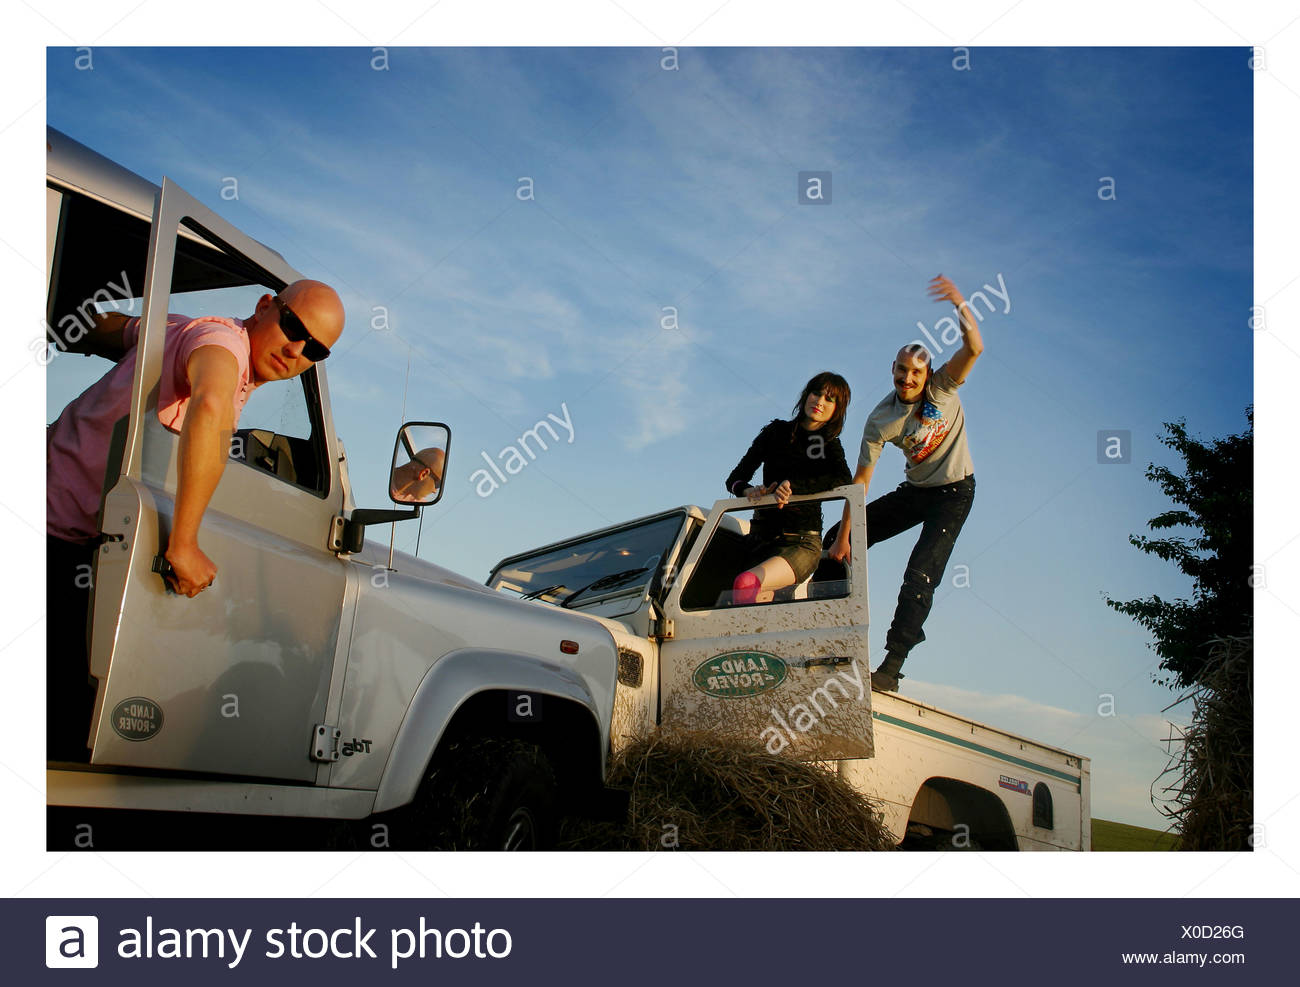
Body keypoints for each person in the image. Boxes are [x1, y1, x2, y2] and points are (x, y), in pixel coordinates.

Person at [46, 279, 345, 758]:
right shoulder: (222, 344)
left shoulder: (181, 328)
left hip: (70, 529)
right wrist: (183, 543)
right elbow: (210, 407)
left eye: (315, 349)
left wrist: (51, 321)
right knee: (59, 728)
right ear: (266, 305)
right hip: (53, 536)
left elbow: (110, 330)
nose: (295, 350)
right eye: (293, 326)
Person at [828, 274, 983, 692]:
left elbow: (974, 348)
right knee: (835, 540)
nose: (908, 379)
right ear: (892, 370)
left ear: (927, 372)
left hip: (955, 494)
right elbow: (859, 484)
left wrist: (959, 303)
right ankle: (826, 632)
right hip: (916, 493)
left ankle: (891, 667)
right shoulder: (880, 419)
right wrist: (846, 536)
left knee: (920, 575)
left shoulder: (943, 386)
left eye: (916, 372)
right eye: (901, 370)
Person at [724, 372, 852, 605]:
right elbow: (734, 479)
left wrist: (794, 488)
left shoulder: (828, 443)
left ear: (837, 409)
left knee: (746, 583)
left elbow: (844, 479)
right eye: (816, 392)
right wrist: (749, 491)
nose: (819, 401)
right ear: (806, 394)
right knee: (731, 599)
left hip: (801, 543)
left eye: (829, 399)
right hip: (759, 539)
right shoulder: (775, 432)